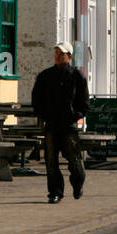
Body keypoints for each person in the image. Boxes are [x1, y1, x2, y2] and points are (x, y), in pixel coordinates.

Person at [31, 41, 89, 203]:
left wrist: (76, 115)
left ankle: (77, 184)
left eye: (61, 53)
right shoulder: (45, 76)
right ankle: (55, 192)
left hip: (69, 125)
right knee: (51, 161)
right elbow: (37, 99)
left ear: (69, 57)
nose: (57, 56)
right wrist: (42, 115)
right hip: (51, 124)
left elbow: (84, 102)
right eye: (56, 53)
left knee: (74, 160)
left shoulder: (77, 76)